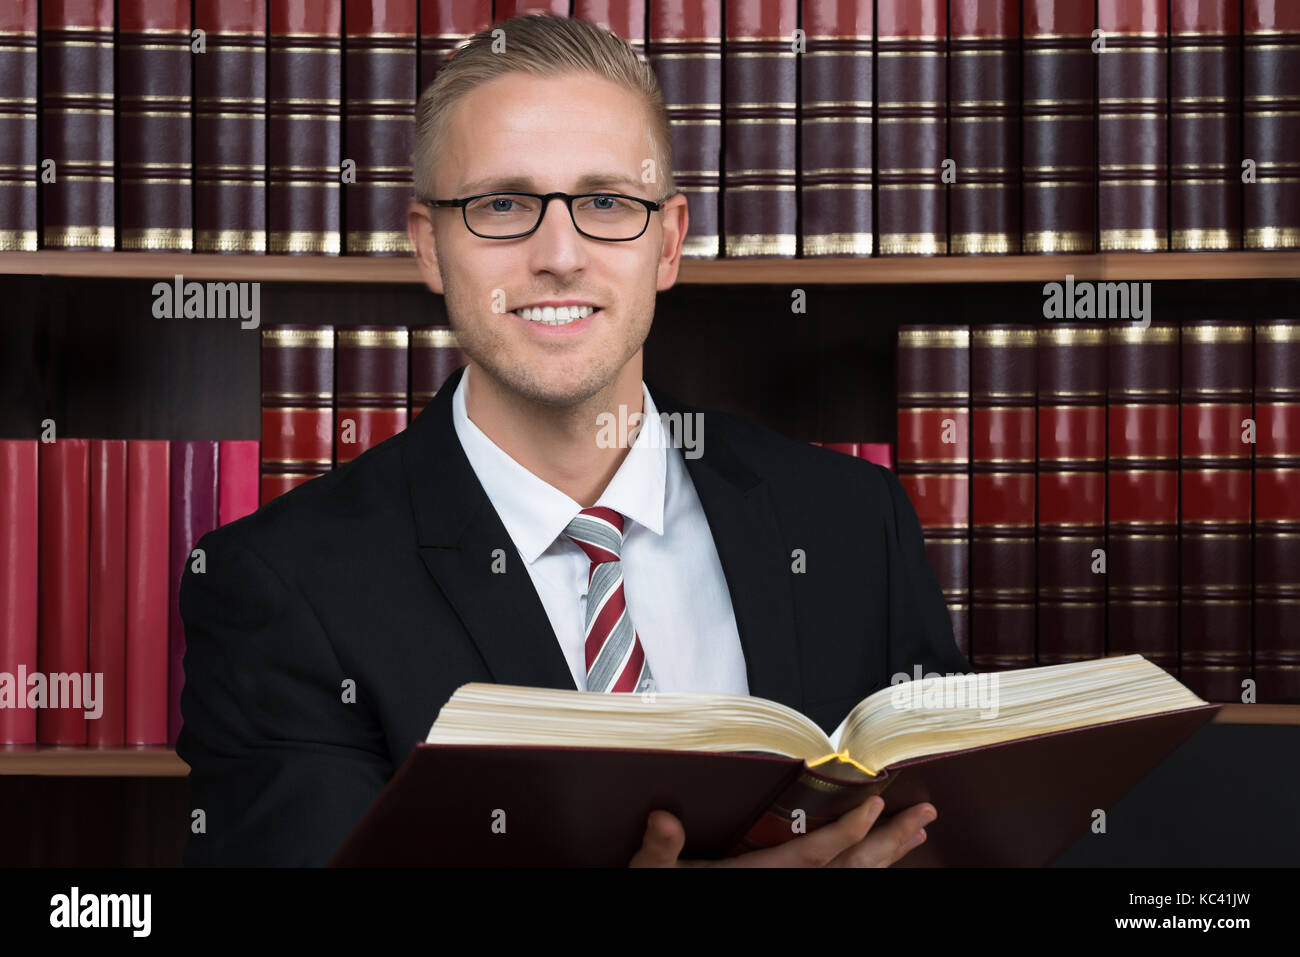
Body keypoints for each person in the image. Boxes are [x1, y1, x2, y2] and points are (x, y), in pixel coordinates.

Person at [177, 11, 971, 867]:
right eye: (503, 203)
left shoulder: (854, 525)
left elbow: (948, 843)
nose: (560, 254)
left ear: (668, 242)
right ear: (430, 249)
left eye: (604, 201)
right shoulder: (283, 590)